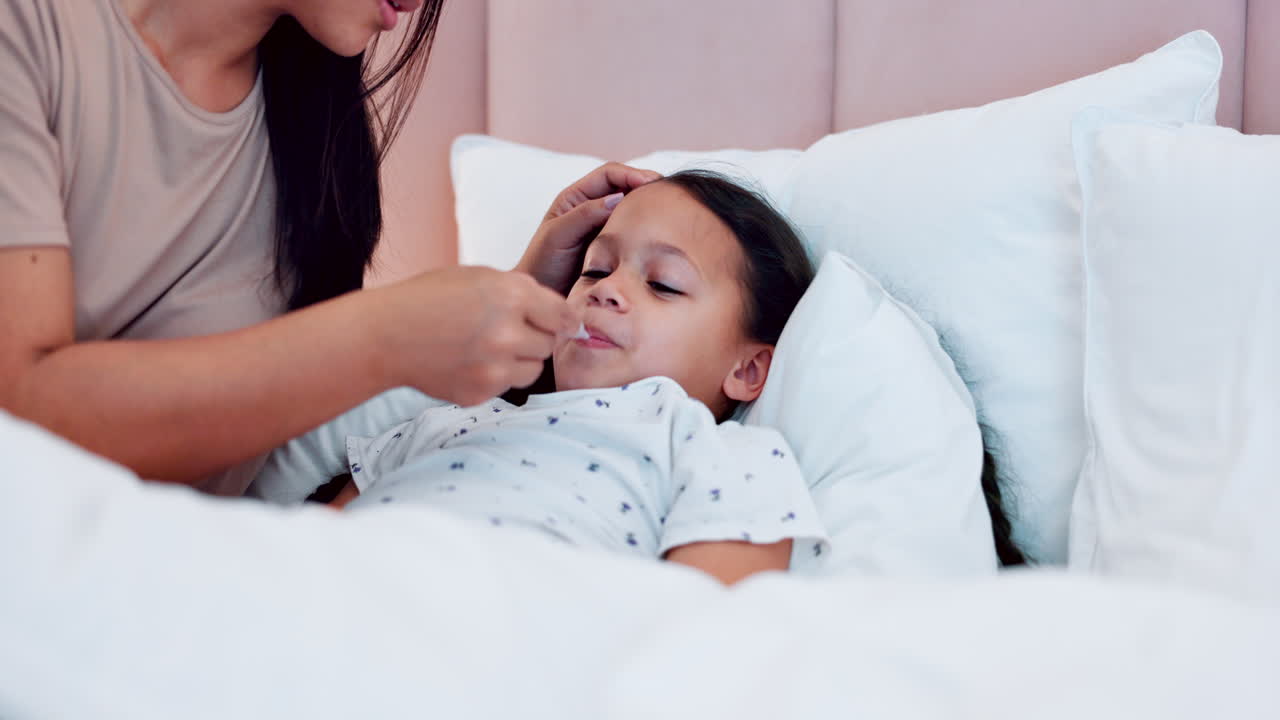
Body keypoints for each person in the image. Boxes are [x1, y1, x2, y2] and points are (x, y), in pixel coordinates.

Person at [0, 0, 657, 494]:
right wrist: (387, 337)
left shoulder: (317, 151)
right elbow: (20, 418)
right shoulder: (30, 32)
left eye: (667, 284)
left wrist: (523, 299)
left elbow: (284, 416)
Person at [252, 171, 829, 584]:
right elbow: (301, 551)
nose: (605, 288)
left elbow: (704, 622)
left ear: (748, 369)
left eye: (663, 284)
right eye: (595, 269)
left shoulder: (712, 447)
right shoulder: (454, 417)